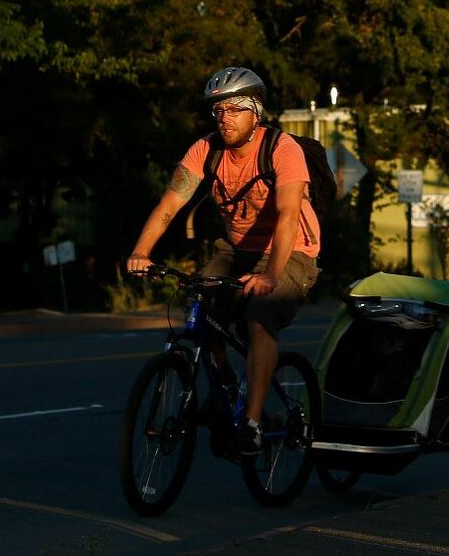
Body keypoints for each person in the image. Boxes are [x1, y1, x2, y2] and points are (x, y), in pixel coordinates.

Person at [125, 66, 320, 456]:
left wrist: (271, 274)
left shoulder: (282, 150)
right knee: (199, 306)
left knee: (258, 319)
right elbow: (169, 206)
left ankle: (250, 424)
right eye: (218, 111)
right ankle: (226, 385)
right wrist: (140, 252)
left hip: (292, 249)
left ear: (256, 111)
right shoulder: (205, 150)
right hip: (235, 249)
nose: (224, 118)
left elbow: (286, 218)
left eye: (234, 109)